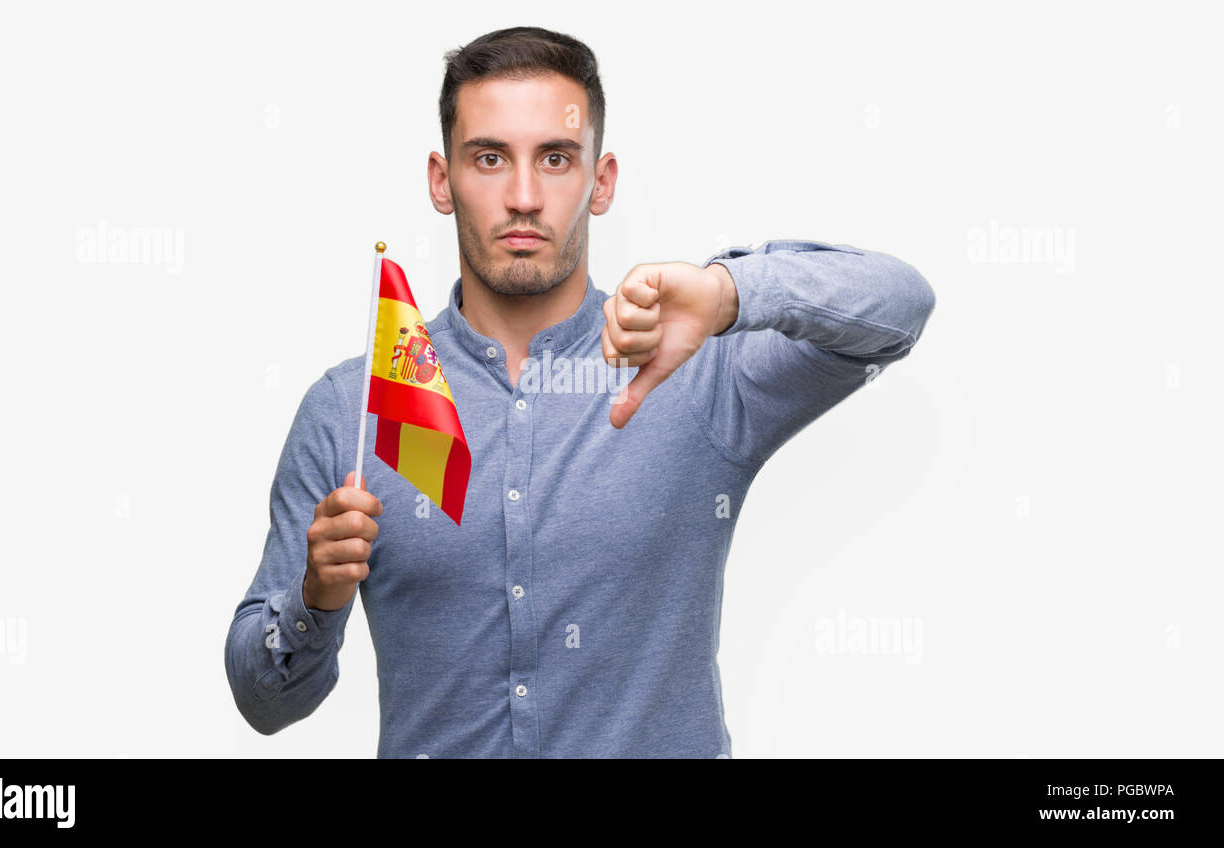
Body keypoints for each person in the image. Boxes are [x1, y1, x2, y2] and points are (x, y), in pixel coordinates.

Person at [223, 25, 936, 757]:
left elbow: (899, 306)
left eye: (556, 159)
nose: (524, 197)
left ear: (602, 182)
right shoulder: (354, 412)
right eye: (490, 158)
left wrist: (729, 294)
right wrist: (315, 599)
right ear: (443, 181)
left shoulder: (691, 370)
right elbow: (262, 704)